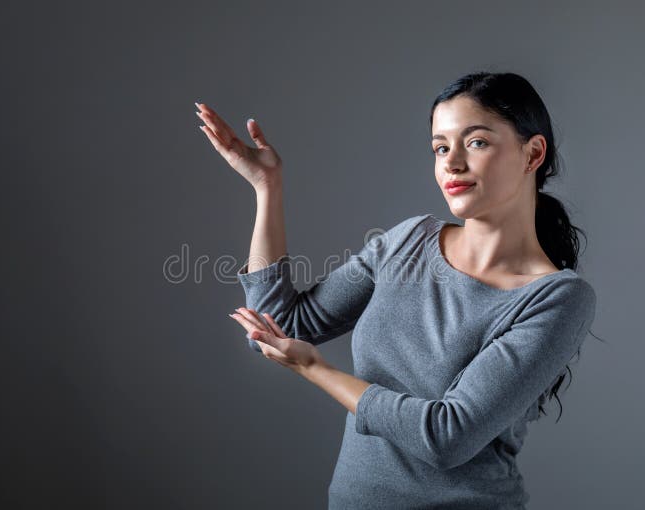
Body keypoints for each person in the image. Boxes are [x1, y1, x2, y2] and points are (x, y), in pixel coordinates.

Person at [197, 71, 598, 509]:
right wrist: (266, 188)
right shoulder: (408, 241)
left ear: (532, 153)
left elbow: (448, 436)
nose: (452, 162)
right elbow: (282, 325)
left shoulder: (557, 298)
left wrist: (315, 369)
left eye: (476, 142)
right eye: (441, 147)